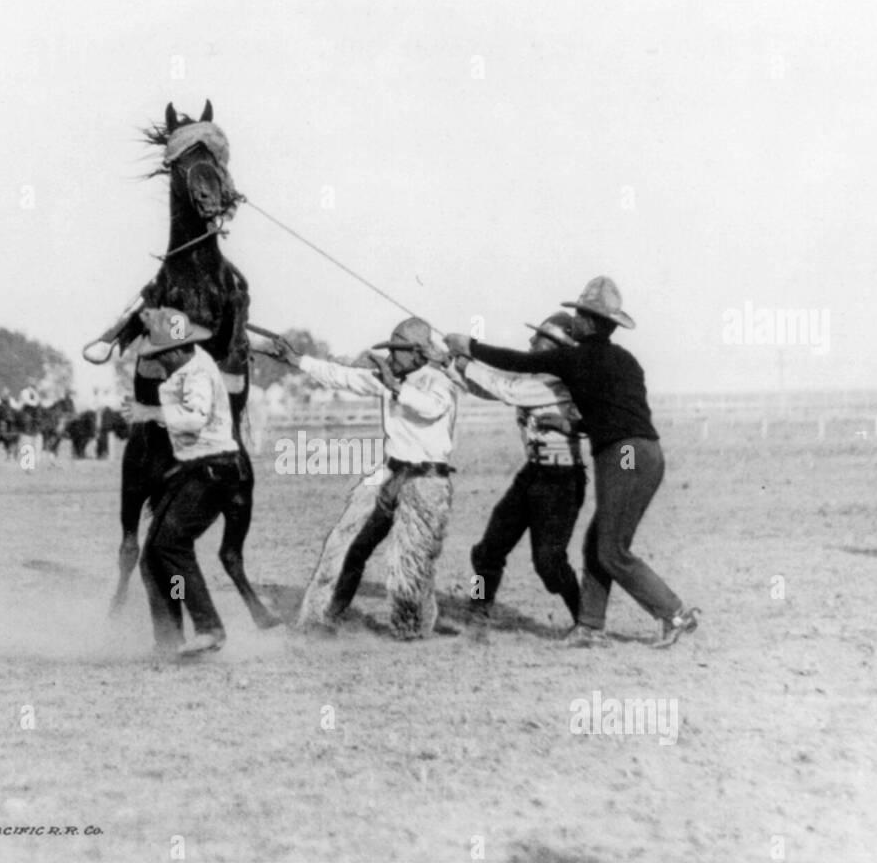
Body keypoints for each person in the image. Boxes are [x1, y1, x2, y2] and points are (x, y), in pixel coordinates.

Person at [447, 277, 699, 648]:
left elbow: (515, 363)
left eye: (579, 314)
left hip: (624, 455)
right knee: (598, 542)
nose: (575, 318)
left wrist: (470, 347)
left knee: (611, 550)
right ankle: (589, 625)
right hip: (640, 452)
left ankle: (675, 614)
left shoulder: (574, 357)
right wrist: (573, 424)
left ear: (592, 323)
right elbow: (620, 414)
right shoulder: (622, 361)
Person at [266, 317, 460, 640]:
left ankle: (413, 626)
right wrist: (297, 360)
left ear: (416, 352)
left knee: (410, 560)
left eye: (398, 351)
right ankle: (324, 616)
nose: (392, 357)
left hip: (427, 480)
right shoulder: (389, 377)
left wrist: (394, 386)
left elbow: (431, 408)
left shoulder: (438, 382)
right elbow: (343, 377)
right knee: (345, 545)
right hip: (389, 471)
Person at [454, 312, 587, 633]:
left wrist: (466, 362)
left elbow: (506, 389)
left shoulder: (553, 382)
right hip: (534, 473)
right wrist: (453, 365)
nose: (530, 342)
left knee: (549, 564)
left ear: (555, 347)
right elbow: (492, 390)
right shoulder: (535, 379)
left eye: (538, 338)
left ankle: (586, 618)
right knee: (487, 550)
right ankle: (478, 606)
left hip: (561, 480)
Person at [137, 308, 246, 658]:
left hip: (213, 470)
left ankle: (209, 627)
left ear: (172, 351)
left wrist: (150, 413)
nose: (156, 364)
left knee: (170, 546)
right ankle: (169, 639)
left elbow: (195, 419)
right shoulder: (189, 366)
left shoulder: (196, 373)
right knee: (153, 557)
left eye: (157, 357)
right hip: (198, 470)